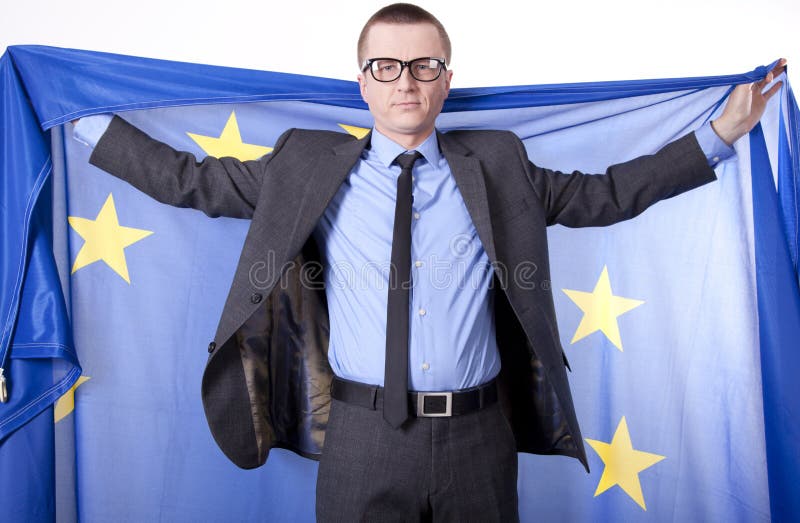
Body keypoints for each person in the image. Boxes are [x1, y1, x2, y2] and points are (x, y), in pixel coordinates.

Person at [73, 3, 785, 521]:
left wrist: (719, 133)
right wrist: (78, 114)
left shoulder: (498, 163)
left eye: (424, 65)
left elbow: (604, 196)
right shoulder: (305, 164)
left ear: (446, 79)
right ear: (363, 81)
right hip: (359, 436)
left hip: (480, 435)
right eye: (387, 65)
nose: (405, 81)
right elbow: (189, 180)